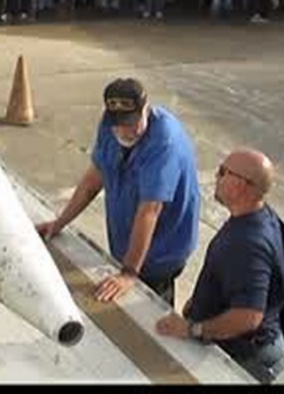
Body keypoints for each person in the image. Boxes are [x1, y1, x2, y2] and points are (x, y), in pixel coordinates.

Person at [36, 78, 200, 306]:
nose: (126, 131)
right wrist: (60, 222)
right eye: (119, 124)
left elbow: (149, 211)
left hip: (161, 250)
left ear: (146, 109)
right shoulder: (109, 126)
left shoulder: (164, 143)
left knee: (148, 312)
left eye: (132, 123)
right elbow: (93, 180)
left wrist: (129, 273)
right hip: (127, 241)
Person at [155, 148, 284, 384]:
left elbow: (248, 317)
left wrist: (193, 329)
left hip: (244, 358)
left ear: (241, 185)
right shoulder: (258, 216)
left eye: (223, 172)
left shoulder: (248, 243)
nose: (216, 177)